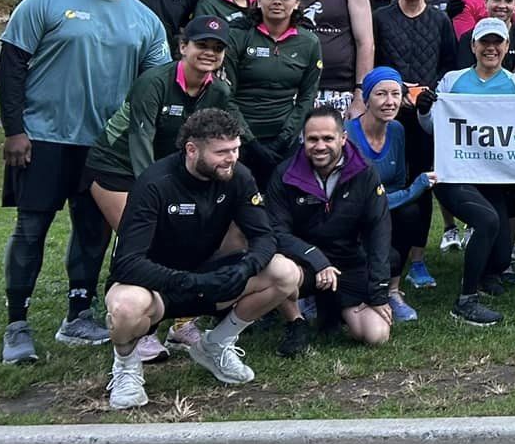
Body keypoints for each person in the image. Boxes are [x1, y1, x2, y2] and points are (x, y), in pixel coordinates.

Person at [0, 0, 172, 363]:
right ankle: (17, 324)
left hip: (104, 147)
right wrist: (14, 130)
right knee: (31, 229)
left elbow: (156, 85)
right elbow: (12, 65)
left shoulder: (144, 19)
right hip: (43, 138)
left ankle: (78, 314)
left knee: (93, 233)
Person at [102, 109, 302, 410]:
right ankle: (126, 367)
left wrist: (246, 267)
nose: (232, 158)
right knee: (125, 307)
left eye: (235, 149)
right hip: (156, 287)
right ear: (191, 149)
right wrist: (190, 281)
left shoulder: (238, 177)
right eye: (222, 152)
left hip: (209, 277)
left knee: (285, 272)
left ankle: (216, 344)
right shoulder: (155, 183)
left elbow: (264, 237)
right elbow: (127, 264)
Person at [82, 14, 239, 364]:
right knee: (143, 239)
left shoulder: (219, 89)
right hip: (117, 166)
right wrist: (152, 199)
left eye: (217, 48)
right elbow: (141, 139)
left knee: (189, 238)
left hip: (165, 168)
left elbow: (222, 136)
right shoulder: (154, 81)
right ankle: (138, 332)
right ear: (183, 46)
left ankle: (180, 322)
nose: (209, 53)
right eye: (202, 45)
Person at [437, 18, 515, 322]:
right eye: (484, 42)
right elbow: (433, 125)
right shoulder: (452, 80)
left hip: (494, 177)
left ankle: (486, 275)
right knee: (486, 220)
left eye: (498, 42)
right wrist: (423, 110)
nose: (491, 48)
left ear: (507, 47)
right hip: (454, 174)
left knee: (500, 256)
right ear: (473, 46)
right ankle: (465, 301)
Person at [265, 106, 394, 351]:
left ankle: (331, 309)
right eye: (312, 139)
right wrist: (316, 259)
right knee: (275, 266)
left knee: (376, 334)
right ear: (303, 139)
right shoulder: (284, 174)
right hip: (301, 262)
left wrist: (378, 293)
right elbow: (275, 232)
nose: (320, 146)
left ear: (343, 138)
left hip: (346, 261)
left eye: (328, 138)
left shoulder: (365, 173)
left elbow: (379, 229)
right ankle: (296, 322)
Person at [370, 0, 462, 292]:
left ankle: (418, 260)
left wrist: (429, 92)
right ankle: (386, 253)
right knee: (388, 182)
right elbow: (375, 60)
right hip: (388, 113)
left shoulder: (439, 21)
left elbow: (449, 63)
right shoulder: (381, 18)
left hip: (425, 114)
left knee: (422, 185)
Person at [347, 67, 433, 323]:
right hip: (352, 216)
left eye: (396, 94)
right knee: (410, 200)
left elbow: (395, 182)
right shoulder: (348, 135)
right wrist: (414, 188)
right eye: (381, 94)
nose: (390, 101)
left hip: (383, 207)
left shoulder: (396, 130)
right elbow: (358, 200)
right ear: (367, 99)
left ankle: (393, 291)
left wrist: (401, 194)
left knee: (410, 212)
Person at [224, 0, 322, 185]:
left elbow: (307, 96)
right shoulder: (238, 36)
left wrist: (283, 139)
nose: (277, 1)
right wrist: (249, 142)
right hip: (239, 137)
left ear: (296, 3)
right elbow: (225, 94)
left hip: (283, 137)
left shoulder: (310, 42)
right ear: (258, 0)